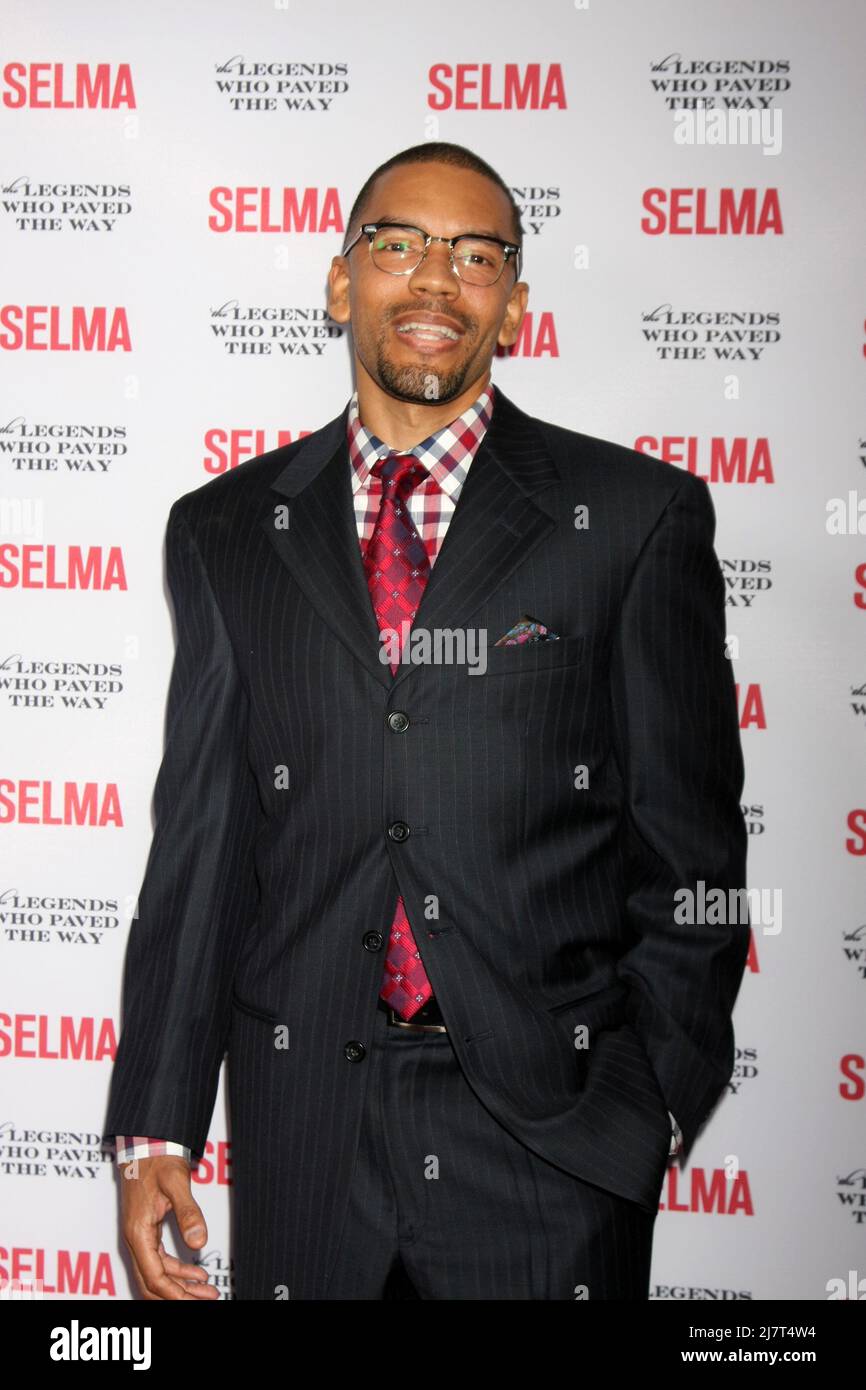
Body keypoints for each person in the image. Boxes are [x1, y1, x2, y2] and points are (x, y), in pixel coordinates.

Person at [102, 141, 749, 1301]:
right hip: (310, 1136)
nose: (435, 280)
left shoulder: (633, 519)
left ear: (512, 299)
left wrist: (644, 1107)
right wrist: (156, 1130)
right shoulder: (228, 529)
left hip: (553, 1146)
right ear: (342, 280)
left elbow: (691, 854)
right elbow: (204, 851)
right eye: (397, 245)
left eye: (475, 254)